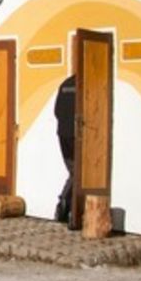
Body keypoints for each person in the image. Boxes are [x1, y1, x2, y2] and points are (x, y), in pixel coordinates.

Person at [54, 75, 78, 226]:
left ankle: (64, 206)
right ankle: (68, 209)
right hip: (78, 135)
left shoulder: (65, 84)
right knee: (78, 173)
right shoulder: (85, 83)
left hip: (63, 134)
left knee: (74, 172)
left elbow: (57, 111)